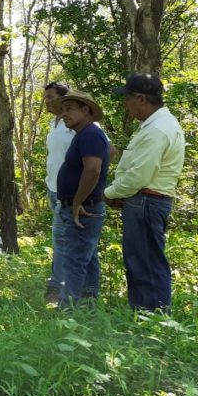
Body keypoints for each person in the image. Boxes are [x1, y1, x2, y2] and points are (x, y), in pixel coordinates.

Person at [104, 73, 185, 312]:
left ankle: (153, 319)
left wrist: (108, 193)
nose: (125, 105)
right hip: (144, 201)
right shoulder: (154, 125)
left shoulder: (157, 130)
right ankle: (145, 316)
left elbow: (139, 176)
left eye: (127, 98)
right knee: (140, 261)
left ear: (141, 99)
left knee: (145, 263)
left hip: (146, 202)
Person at [49, 90, 110, 307]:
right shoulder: (83, 135)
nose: (64, 114)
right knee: (87, 257)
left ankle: (68, 309)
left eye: (69, 109)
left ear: (86, 110)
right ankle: (87, 303)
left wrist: (77, 203)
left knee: (74, 260)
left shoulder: (91, 134)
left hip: (84, 208)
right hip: (80, 206)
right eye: (63, 110)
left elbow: (92, 170)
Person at [42, 81, 72, 302]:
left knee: (62, 238)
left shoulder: (76, 124)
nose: (47, 102)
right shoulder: (54, 124)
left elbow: (106, 151)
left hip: (68, 192)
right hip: (53, 189)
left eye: (51, 97)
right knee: (61, 239)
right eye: (46, 98)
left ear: (64, 99)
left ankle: (58, 287)